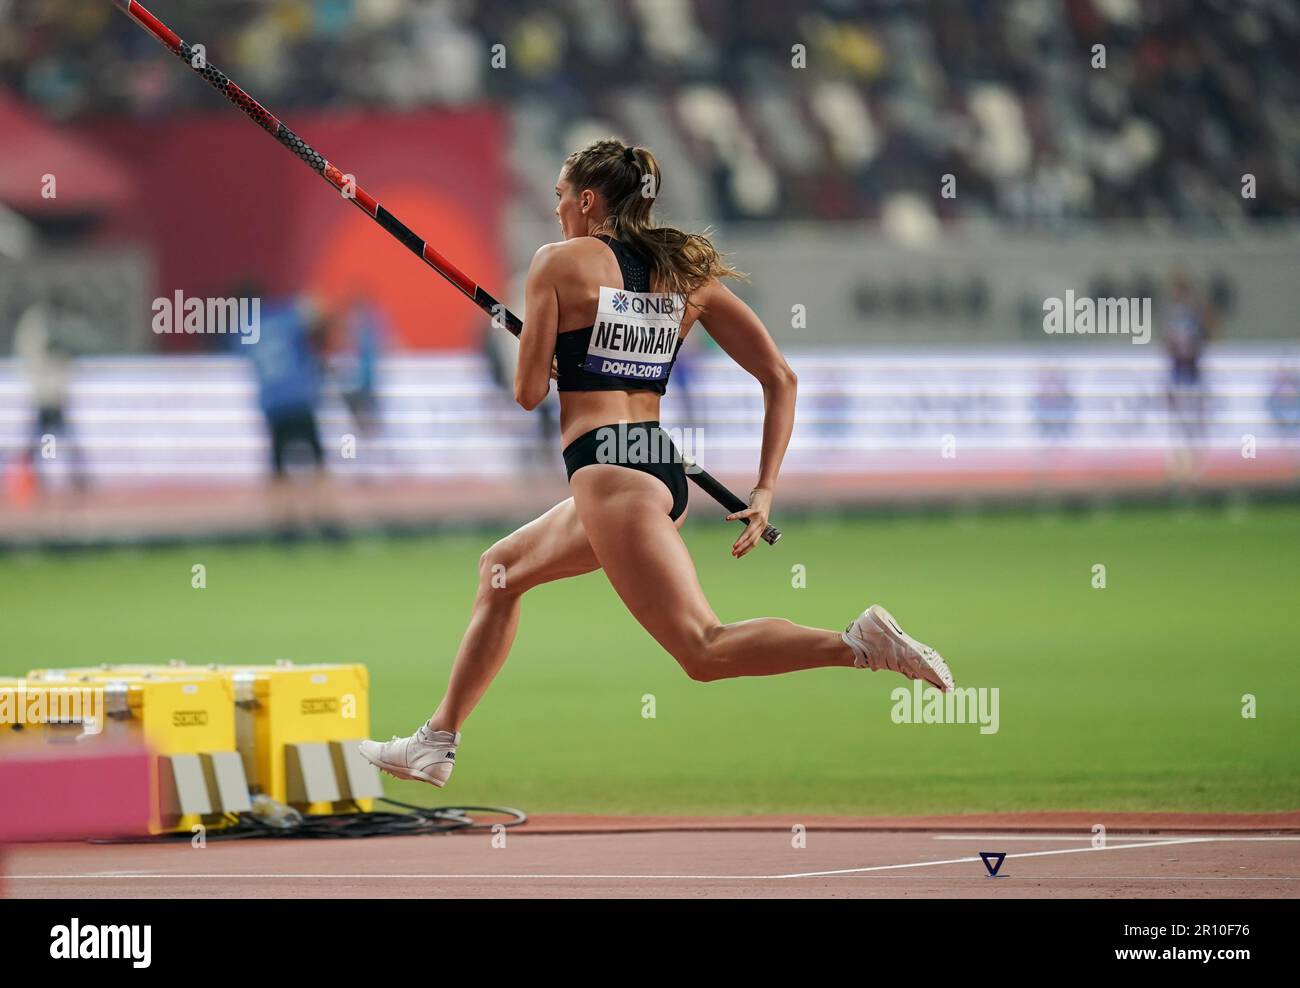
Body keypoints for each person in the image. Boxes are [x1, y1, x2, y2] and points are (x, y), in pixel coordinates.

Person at [360, 139, 954, 788]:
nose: (556, 208)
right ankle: (436, 741)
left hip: (610, 471)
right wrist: (763, 491)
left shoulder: (556, 263)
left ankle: (860, 645)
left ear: (589, 201)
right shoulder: (685, 271)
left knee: (702, 649)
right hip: (651, 463)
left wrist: (548, 346)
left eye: (561, 196)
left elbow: (529, 394)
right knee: (501, 570)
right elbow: (780, 378)